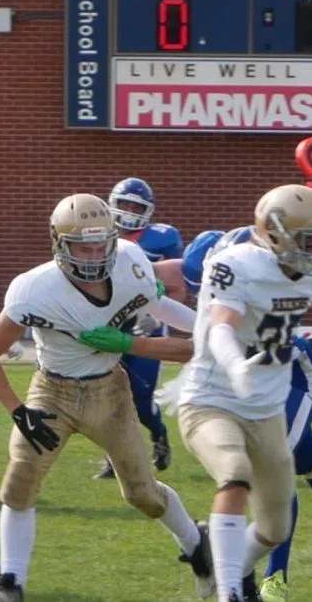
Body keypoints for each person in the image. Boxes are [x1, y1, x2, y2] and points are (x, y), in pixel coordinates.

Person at [0, 194, 209, 601]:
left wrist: (207, 331)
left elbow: (159, 306)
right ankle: (11, 583)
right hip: (51, 390)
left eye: (99, 244)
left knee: (142, 494)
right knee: (20, 478)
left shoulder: (131, 261)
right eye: (82, 246)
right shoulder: (34, 290)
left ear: (112, 239)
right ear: (58, 242)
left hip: (109, 389)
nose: (93, 255)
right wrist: (18, 410)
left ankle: (197, 543)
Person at [157, 227, 312, 602]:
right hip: (251, 384)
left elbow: (213, 335)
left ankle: (274, 577)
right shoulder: (229, 278)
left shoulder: (256, 279)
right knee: (308, 457)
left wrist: (130, 342)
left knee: (278, 465)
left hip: (294, 376)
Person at [177, 185, 312, 601]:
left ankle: (219, 563)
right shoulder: (235, 264)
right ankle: (230, 592)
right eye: (309, 239)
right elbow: (223, 325)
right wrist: (233, 364)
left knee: (274, 528)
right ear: (276, 234)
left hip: (266, 408)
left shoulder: (311, 272)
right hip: (212, 397)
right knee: (234, 473)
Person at [94, 177, 184, 480]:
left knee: (142, 402)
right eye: (125, 204)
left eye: (137, 206)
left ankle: (158, 433)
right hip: (112, 325)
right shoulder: (97, 235)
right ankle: (114, 460)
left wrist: (157, 316)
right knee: (110, 397)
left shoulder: (163, 238)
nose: (130, 211)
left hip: (148, 328)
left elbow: (178, 287)